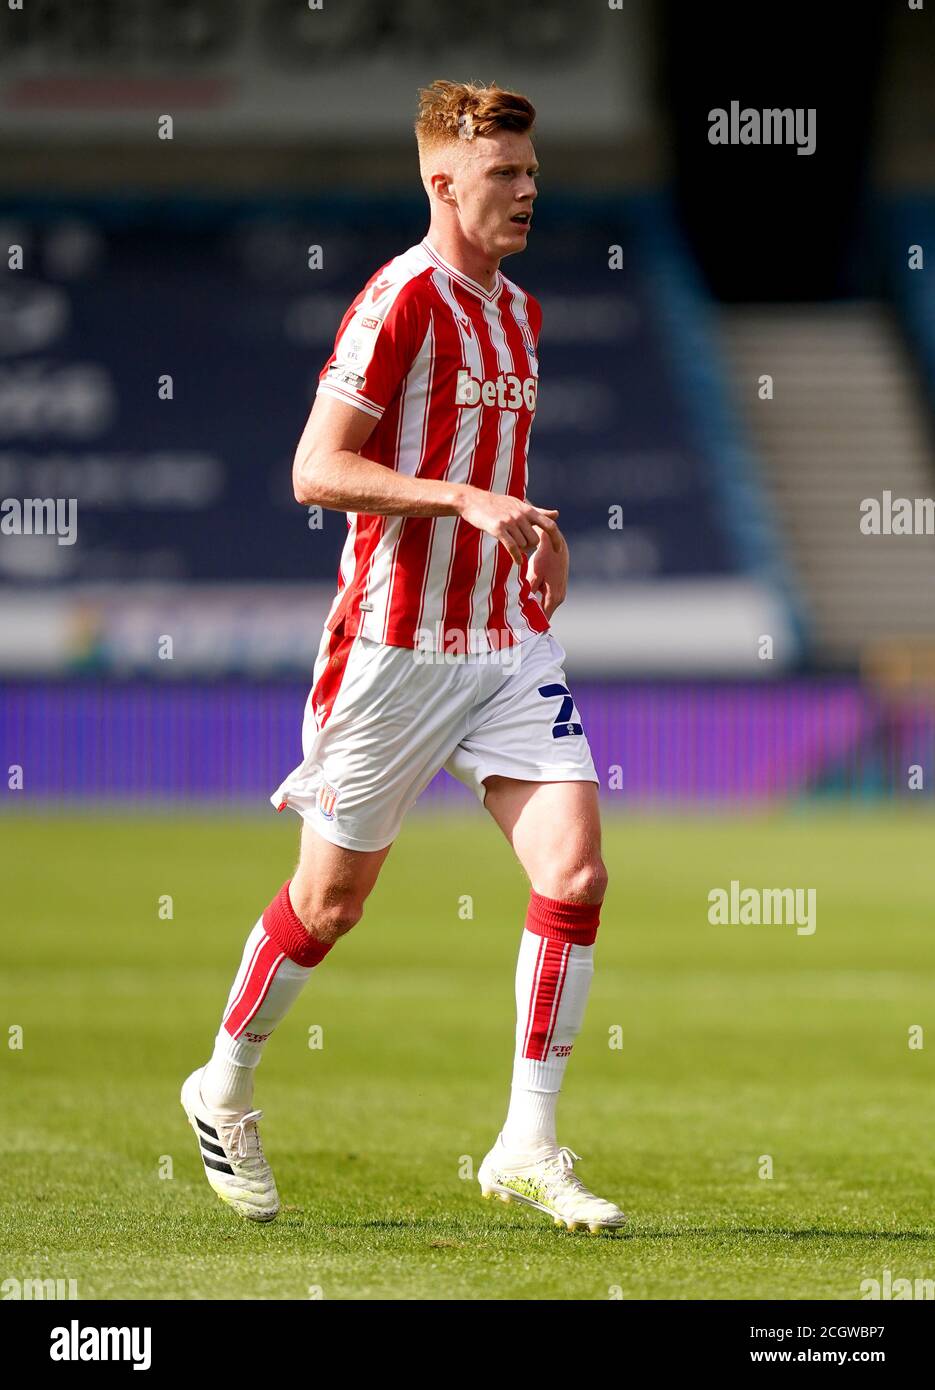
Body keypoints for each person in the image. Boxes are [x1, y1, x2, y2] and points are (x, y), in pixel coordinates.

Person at [181, 79, 625, 1236]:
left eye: (532, 171)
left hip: (504, 648)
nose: (528, 190)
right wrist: (463, 499)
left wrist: (536, 527)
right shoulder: (398, 303)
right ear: (442, 181)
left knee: (572, 872)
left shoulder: (518, 315)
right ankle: (221, 1085)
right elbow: (314, 470)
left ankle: (526, 1140)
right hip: (392, 650)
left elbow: (493, 476)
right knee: (329, 904)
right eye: (503, 175)